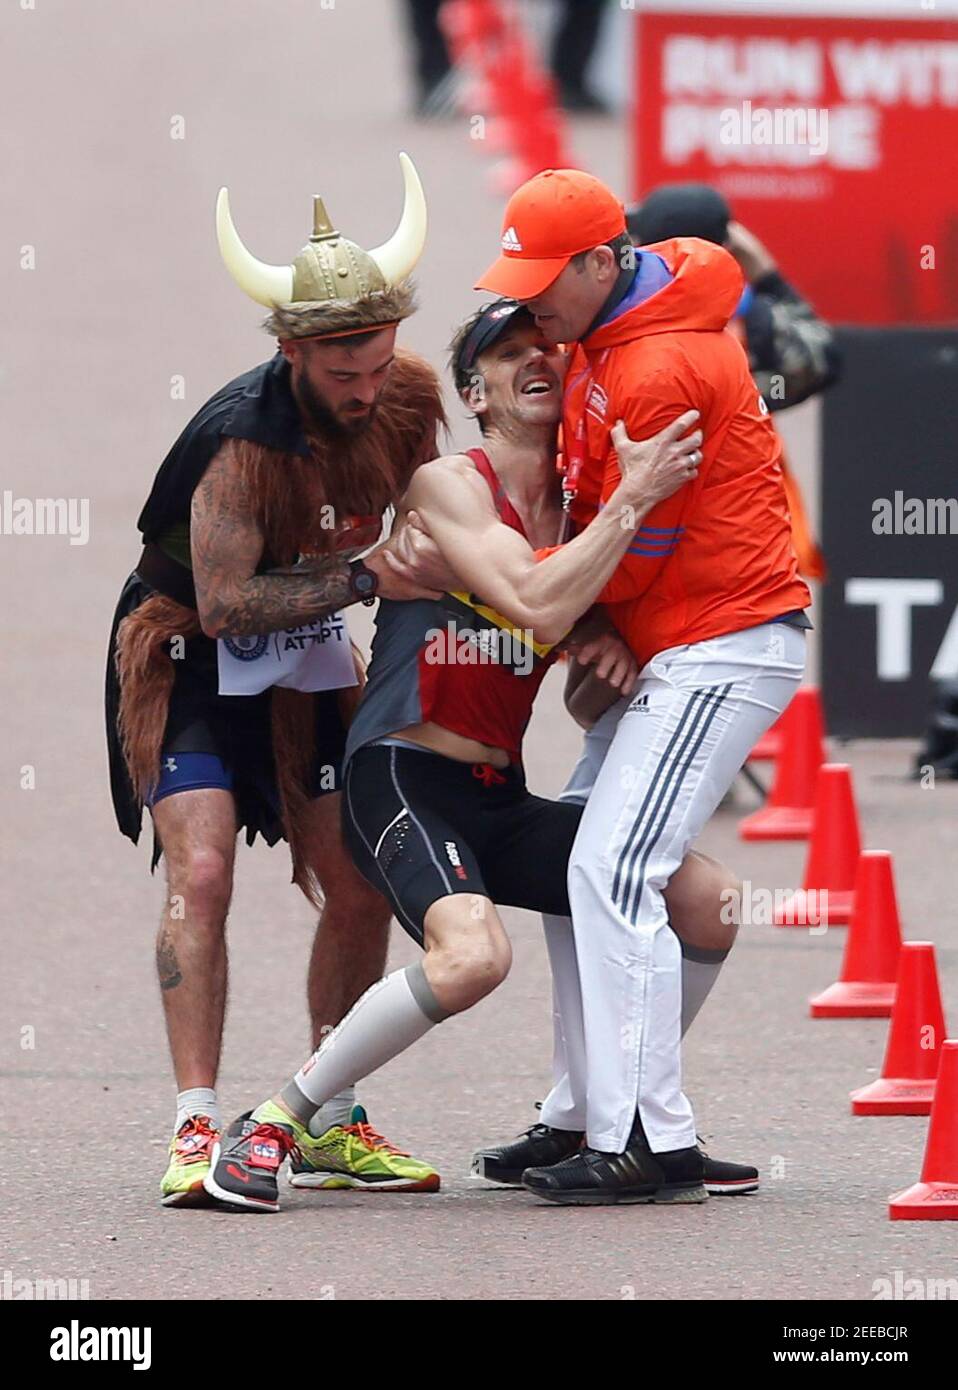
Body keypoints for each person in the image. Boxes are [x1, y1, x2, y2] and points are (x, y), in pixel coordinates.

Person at [202, 299, 755, 1212]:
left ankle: (620, 1117)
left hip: (499, 792)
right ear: (476, 391)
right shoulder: (449, 488)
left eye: (550, 349)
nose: (537, 360)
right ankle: (273, 1121)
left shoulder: (580, 520)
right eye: (507, 354)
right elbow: (536, 604)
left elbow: (574, 688)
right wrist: (632, 503)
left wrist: (611, 664)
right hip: (405, 774)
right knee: (474, 959)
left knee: (710, 900)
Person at [105, 155, 446, 1205]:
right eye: (341, 370)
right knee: (201, 877)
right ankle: (196, 1128)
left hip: (308, 661)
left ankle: (331, 1115)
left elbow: (431, 506)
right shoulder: (239, 448)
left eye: (376, 362)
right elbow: (222, 608)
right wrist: (362, 574)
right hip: (187, 657)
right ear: (292, 349)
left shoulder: (406, 398)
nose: (362, 387)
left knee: (357, 883)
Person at [472, 167, 811, 1204]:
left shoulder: (655, 363)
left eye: (542, 282)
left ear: (596, 262)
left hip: (720, 641)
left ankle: (650, 1137)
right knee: (579, 863)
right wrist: (604, 618)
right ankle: (583, 1110)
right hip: (681, 640)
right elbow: (619, 554)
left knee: (609, 871)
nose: (529, 306)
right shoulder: (620, 322)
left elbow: (639, 553)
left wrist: (575, 607)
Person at [628, 181, 842, 579]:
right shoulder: (749, 324)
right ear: (729, 246)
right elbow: (823, 359)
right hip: (738, 549)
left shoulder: (619, 321)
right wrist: (767, 276)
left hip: (636, 541)